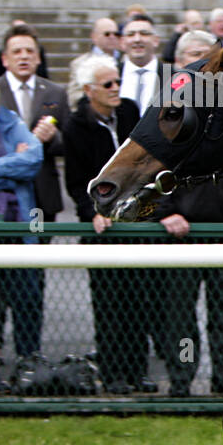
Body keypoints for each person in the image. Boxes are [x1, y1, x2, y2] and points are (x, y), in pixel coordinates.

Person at [146, 33, 223, 396]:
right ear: (178, 64)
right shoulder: (167, 109)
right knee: (181, 315)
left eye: (207, 59)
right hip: (183, 232)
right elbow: (151, 166)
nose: (201, 66)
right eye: (193, 57)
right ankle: (180, 381)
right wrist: (164, 212)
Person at [62, 56, 149, 394]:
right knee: (109, 305)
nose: (117, 90)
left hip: (134, 223)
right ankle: (113, 374)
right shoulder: (75, 126)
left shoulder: (129, 111)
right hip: (103, 232)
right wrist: (92, 211)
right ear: (89, 90)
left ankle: (137, 370)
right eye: (108, 84)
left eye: (118, 82)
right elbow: (75, 181)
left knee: (139, 303)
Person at [0, 74, 43, 392]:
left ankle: (28, 372)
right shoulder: (15, 134)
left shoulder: (10, 121)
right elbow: (21, 164)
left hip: (19, 230)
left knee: (27, 303)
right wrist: (13, 167)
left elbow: (33, 160)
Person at [0, 24, 68, 222]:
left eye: (29, 51)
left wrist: (54, 137)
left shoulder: (56, 93)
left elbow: (71, 144)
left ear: (38, 58)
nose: (24, 56)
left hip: (42, 194)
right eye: (17, 51)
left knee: (40, 249)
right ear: (5, 59)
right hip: (0, 192)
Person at [66, 17, 123, 105]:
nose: (112, 37)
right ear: (94, 37)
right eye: (107, 34)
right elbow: (73, 96)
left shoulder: (126, 60)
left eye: (116, 34)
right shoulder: (80, 63)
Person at [118, 14, 161, 114]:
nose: (137, 39)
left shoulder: (173, 76)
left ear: (156, 40)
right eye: (131, 34)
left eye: (144, 33)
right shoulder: (112, 76)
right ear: (122, 42)